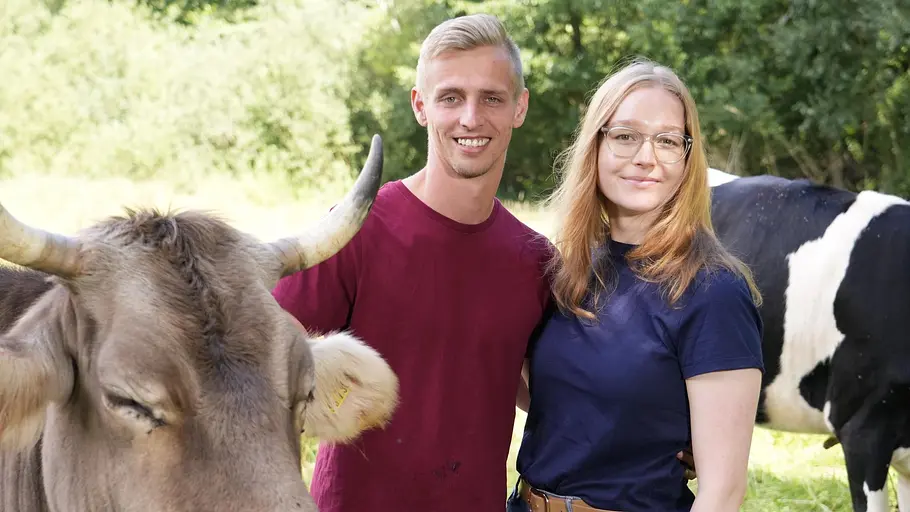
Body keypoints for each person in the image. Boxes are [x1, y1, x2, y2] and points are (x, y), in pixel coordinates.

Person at [272, 13, 553, 512]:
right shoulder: (359, 229)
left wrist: (669, 429)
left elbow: (553, 389)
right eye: (450, 97)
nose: (471, 117)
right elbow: (264, 364)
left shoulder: (533, 260)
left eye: (491, 97)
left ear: (520, 107)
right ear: (420, 106)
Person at [508, 60, 765, 512]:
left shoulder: (711, 291)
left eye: (667, 140)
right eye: (626, 135)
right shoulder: (569, 269)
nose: (646, 157)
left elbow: (722, 493)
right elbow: (560, 399)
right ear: (596, 144)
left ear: (688, 158)